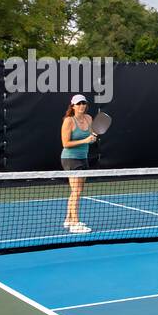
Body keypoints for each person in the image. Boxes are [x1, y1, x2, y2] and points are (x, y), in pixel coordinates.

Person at [59, 94, 98, 234]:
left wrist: (92, 137)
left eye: (83, 103)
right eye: (78, 103)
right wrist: (85, 141)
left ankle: (68, 219)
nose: (81, 105)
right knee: (76, 191)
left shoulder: (89, 118)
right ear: (73, 106)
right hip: (70, 158)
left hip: (83, 158)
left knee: (77, 191)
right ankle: (75, 223)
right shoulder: (69, 121)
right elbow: (66, 143)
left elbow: (91, 133)